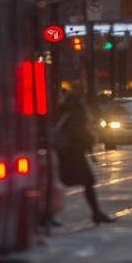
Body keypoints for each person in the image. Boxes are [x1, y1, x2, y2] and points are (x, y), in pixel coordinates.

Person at [52, 93, 114, 226]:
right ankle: (96, 213)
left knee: (81, 182)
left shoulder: (66, 116)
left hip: (69, 155)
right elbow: (82, 136)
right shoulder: (76, 117)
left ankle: (96, 213)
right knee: (85, 182)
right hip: (72, 155)